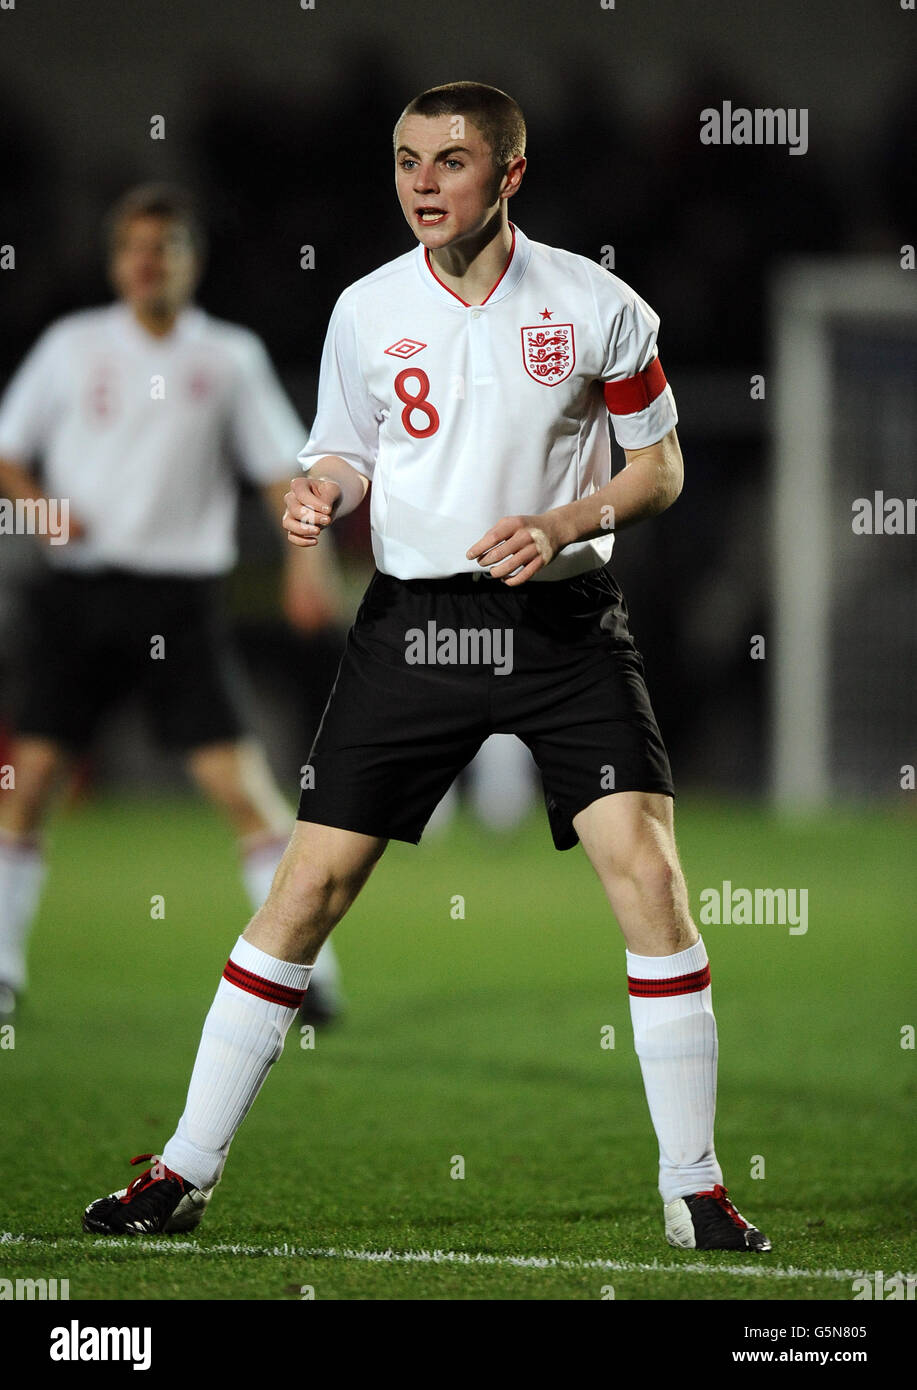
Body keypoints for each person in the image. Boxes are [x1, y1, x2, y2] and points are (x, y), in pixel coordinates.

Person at [83, 87, 770, 1253]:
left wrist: (564, 521)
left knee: (649, 879)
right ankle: (182, 1171)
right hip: (412, 627)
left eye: (448, 162)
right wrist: (321, 491)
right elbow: (345, 449)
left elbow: (657, 470)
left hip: (561, 626)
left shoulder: (596, 305)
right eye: (405, 160)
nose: (420, 183)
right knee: (306, 891)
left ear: (508, 177)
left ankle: (693, 1188)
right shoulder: (365, 307)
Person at [0, 185, 343, 1027]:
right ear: (116, 262)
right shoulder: (71, 346)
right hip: (79, 594)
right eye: (134, 249)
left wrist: (309, 562)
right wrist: (44, 511)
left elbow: (277, 473)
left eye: (167, 248)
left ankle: (306, 974)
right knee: (32, 778)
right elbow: (8, 453)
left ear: (193, 261)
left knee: (238, 784)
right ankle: (2, 972)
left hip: (178, 602)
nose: (148, 263)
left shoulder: (227, 356)